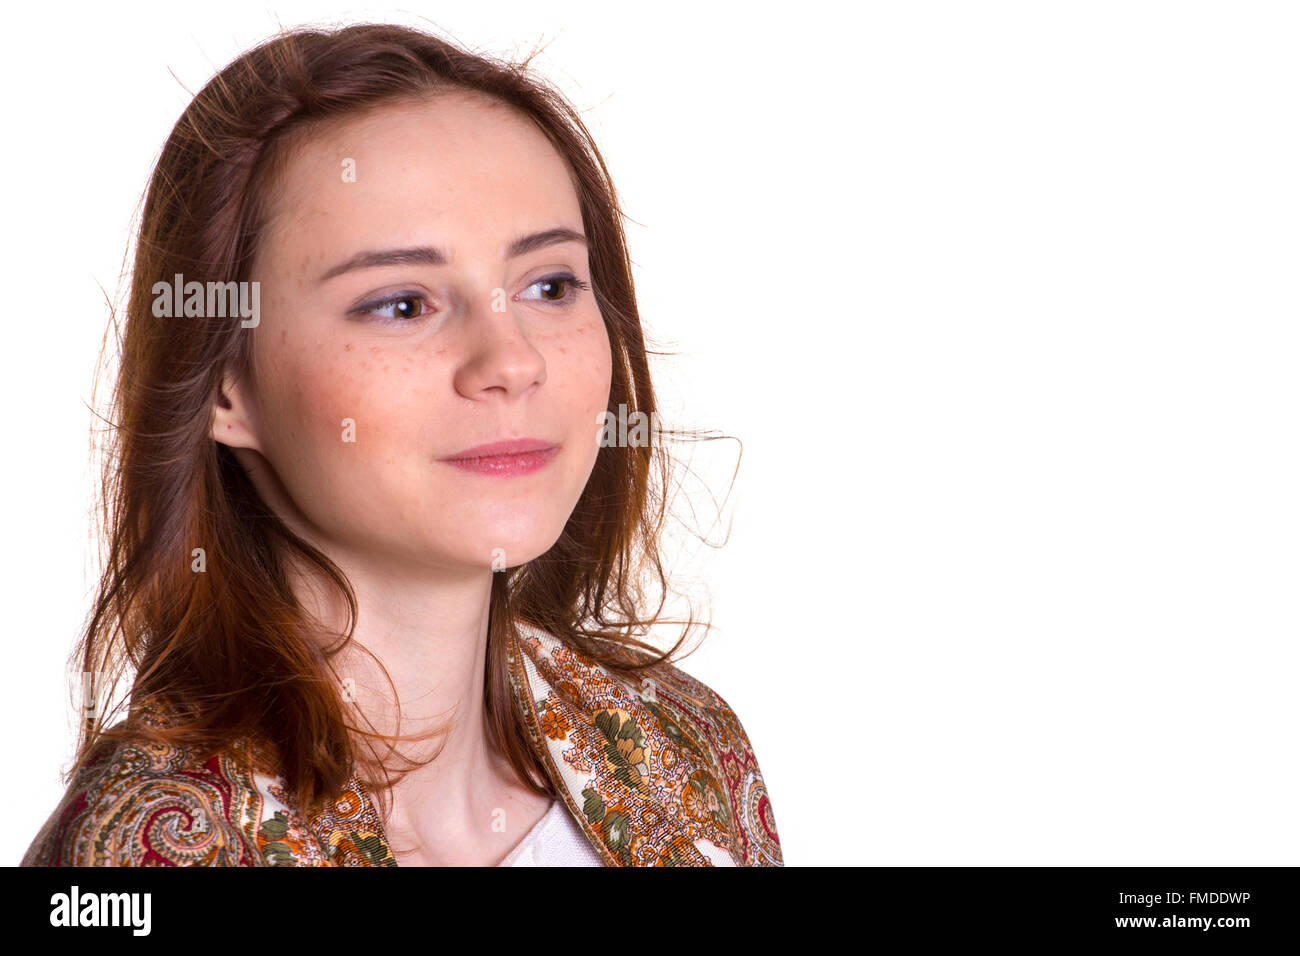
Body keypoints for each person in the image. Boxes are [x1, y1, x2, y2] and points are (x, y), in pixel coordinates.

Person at [21, 22, 782, 868]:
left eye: (550, 285)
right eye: (403, 304)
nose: (511, 361)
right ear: (225, 386)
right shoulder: (140, 853)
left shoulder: (685, 746)